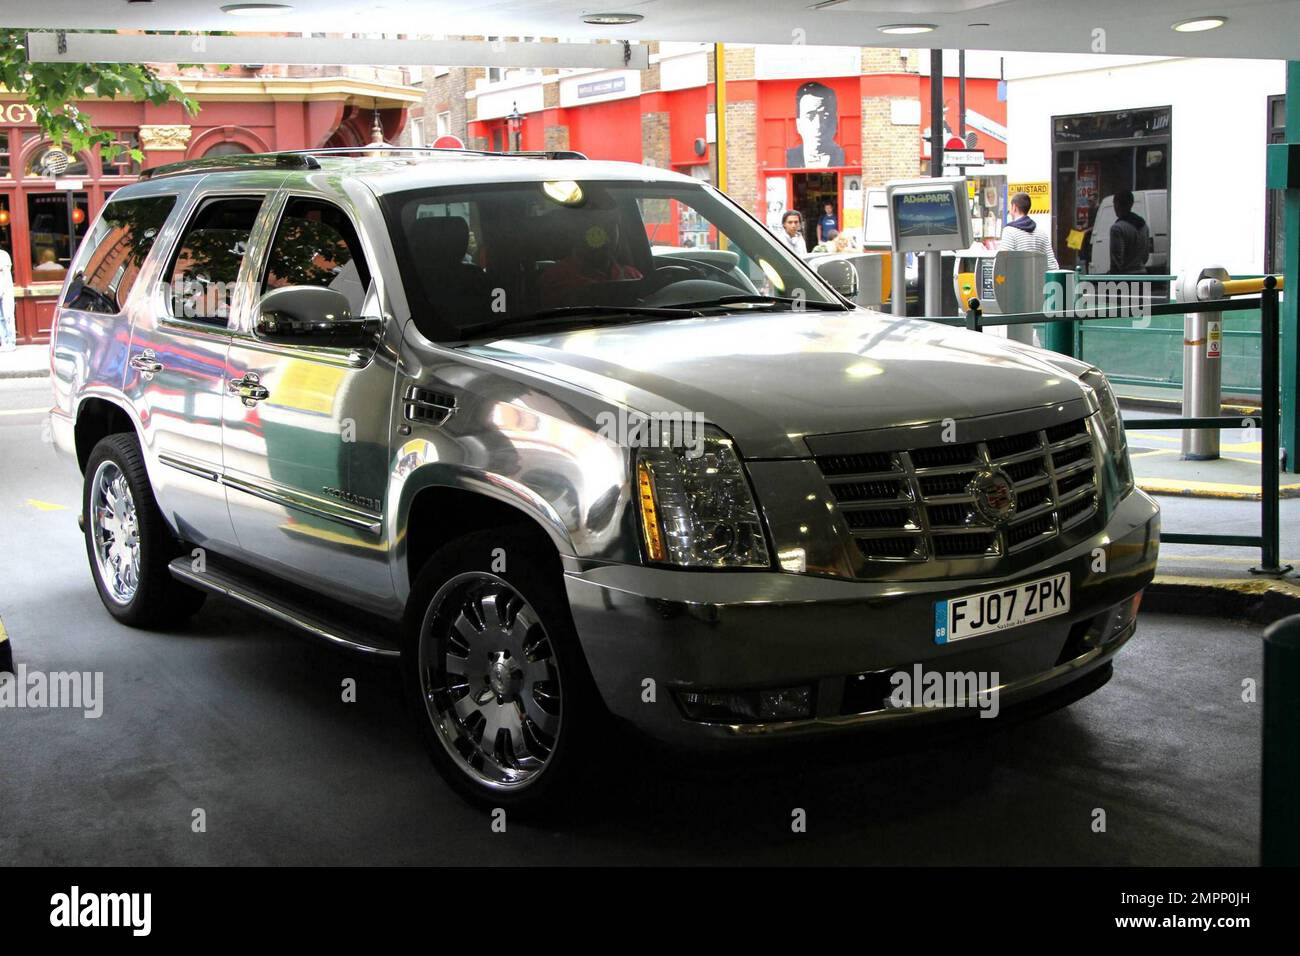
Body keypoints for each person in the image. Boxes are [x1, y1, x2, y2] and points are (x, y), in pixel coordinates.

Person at [786, 82, 846, 168]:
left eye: (824, 116)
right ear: (798, 124)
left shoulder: (840, 155)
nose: (818, 125)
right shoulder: (790, 157)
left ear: (835, 122)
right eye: (810, 116)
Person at [999, 191, 1058, 269]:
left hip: (1017, 280)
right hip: (1038, 280)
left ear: (1014, 207)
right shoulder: (1041, 233)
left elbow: (1004, 263)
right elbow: (1053, 266)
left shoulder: (1010, 231)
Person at [1109, 190, 1152, 274]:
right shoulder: (1144, 226)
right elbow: (1145, 256)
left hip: (1125, 278)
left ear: (1117, 204)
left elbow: (1116, 260)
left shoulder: (1117, 228)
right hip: (1142, 274)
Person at [0, 244, 15, 352]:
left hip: (6, 290)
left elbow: (5, 272)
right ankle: (3, 341)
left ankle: (11, 341)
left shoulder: (3, 255)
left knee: (8, 316)